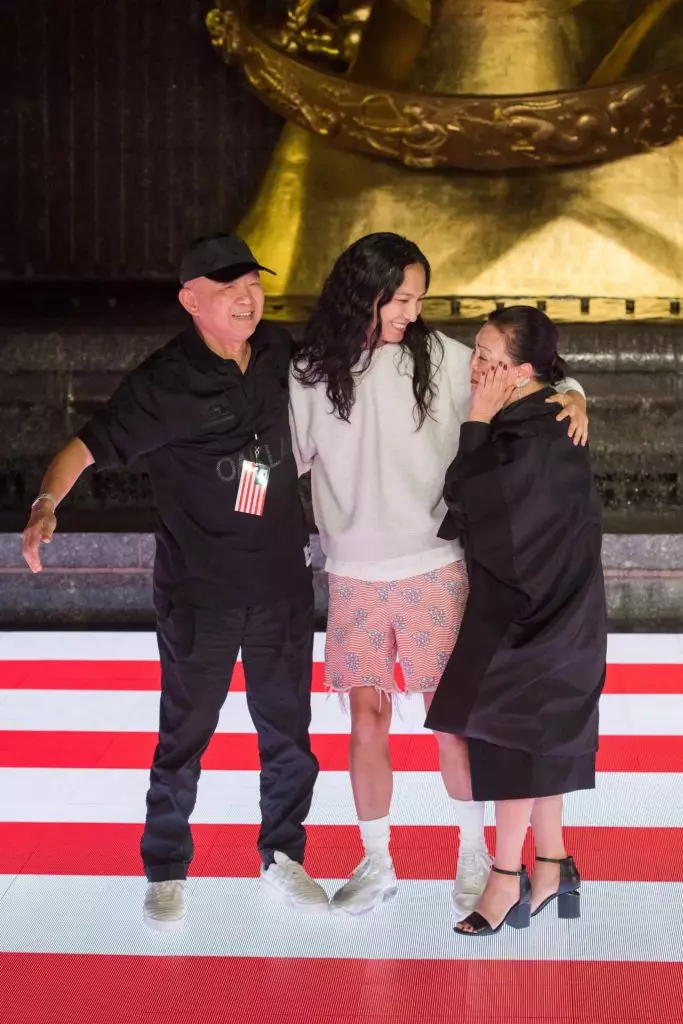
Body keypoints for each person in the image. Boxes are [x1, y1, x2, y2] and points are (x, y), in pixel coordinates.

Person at [21, 233, 328, 930]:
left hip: (280, 579)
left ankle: (284, 855)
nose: (248, 298)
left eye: (253, 284)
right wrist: (44, 507)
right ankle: (166, 866)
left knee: (288, 733)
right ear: (192, 302)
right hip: (202, 591)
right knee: (184, 734)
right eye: (229, 290)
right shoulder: (164, 381)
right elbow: (83, 447)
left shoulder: (279, 350)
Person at [289, 233, 589, 917]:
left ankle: (473, 854)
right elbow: (286, 458)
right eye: (399, 298)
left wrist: (574, 395)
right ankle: (376, 859)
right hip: (353, 570)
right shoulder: (310, 371)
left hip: (433, 564)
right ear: (360, 293)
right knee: (365, 717)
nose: (409, 311)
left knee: (450, 720)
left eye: (417, 298)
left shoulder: (440, 357)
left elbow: (530, 373)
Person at [425, 305, 607, 936]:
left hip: (535, 611)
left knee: (507, 735)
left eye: (487, 358)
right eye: (475, 352)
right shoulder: (546, 411)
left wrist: (475, 419)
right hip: (556, 607)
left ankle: (507, 877)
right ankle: (552, 862)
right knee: (540, 732)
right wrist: (570, 392)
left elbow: (465, 493)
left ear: (521, 370)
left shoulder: (528, 431)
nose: (475, 367)